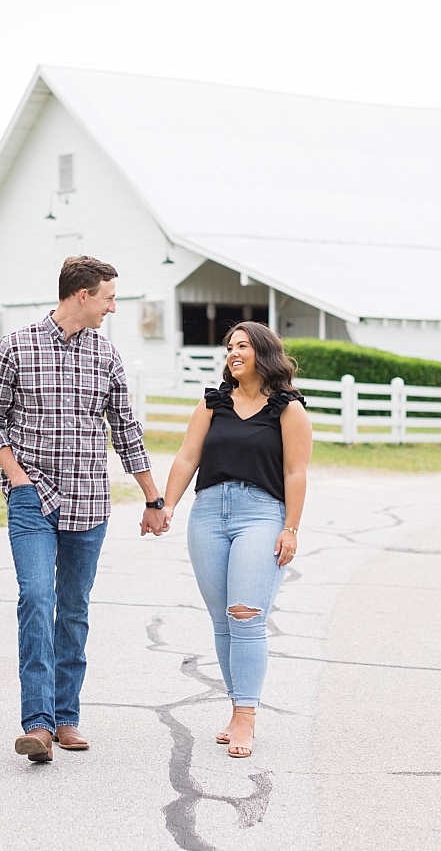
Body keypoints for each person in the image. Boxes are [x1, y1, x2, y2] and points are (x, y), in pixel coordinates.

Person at [0, 255, 167, 763]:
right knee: (37, 598)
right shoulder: (16, 346)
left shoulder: (106, 355)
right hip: (32, 498)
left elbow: (126, 431)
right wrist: (18, 477)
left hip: (89, 501)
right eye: (109, 298)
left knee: (74, 609)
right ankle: (37, 725)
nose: (112, 308)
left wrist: (153, 498)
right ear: (82, 295)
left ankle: (66, 716)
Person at [158, 321, 312, 758]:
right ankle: (237, 707)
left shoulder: (288, 409)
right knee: (223, 620)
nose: (233, 353)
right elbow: (188, 456)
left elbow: (296, 472)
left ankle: (246, 718)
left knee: (246, 615)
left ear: (264, 352)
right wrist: (167, 505)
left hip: (261, 514)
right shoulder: (213, 403)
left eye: (242, 346)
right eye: (229, 347)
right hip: (208, 513)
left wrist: (291, 527)